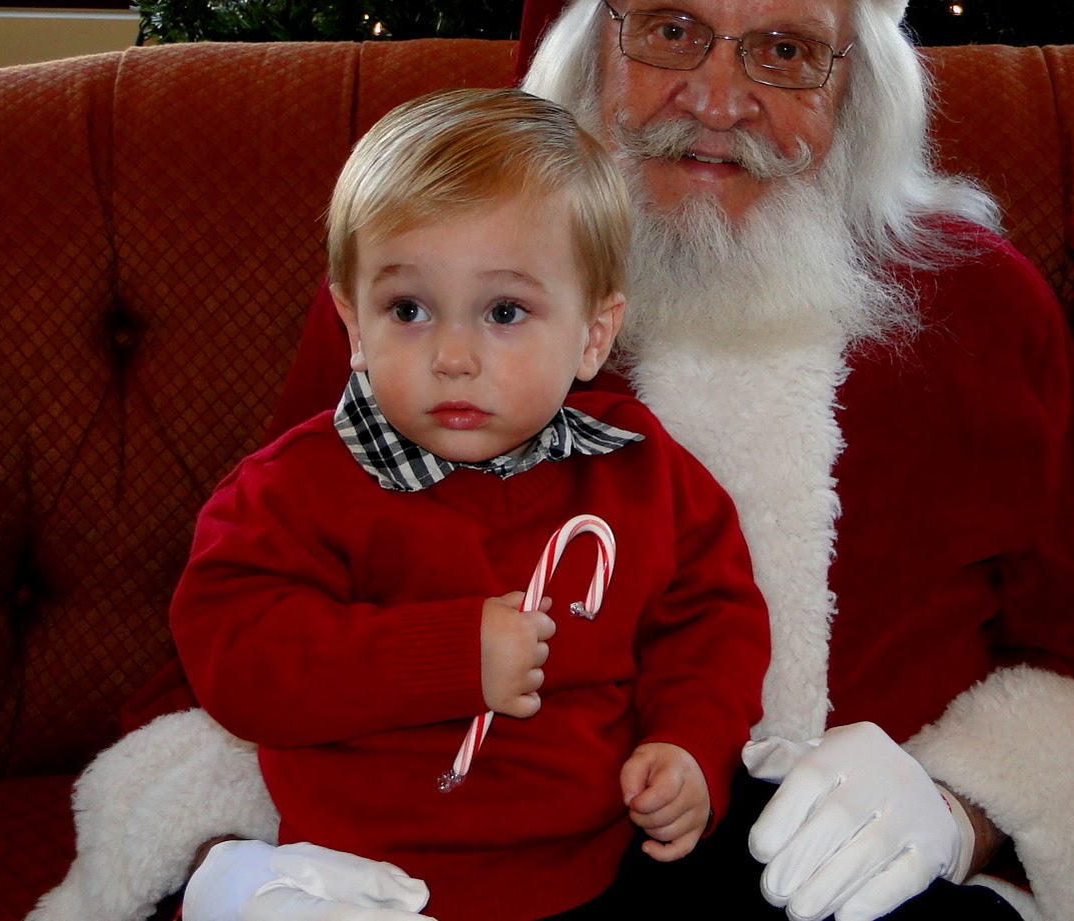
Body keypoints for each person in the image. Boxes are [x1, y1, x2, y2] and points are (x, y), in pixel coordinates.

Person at [31, 0, 1074, 920]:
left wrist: (960, 809)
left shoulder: (979, 303)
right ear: (584, 55)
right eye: (670, 32)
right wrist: (233, 863)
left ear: (855, 86)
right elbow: (236, 629)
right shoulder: (444, 296)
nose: (719, 100)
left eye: (785, 51)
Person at [167, 87, 770, 921]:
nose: (454, 355)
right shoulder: (296, 487)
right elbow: (235, 657)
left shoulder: (641, 470)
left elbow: (713, 621)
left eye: (505, 311)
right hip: (365, 884)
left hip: (600, 865)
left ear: (594, 333)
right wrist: (448, 656)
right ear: (352, 322)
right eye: (408, 309)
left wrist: (690, 743)